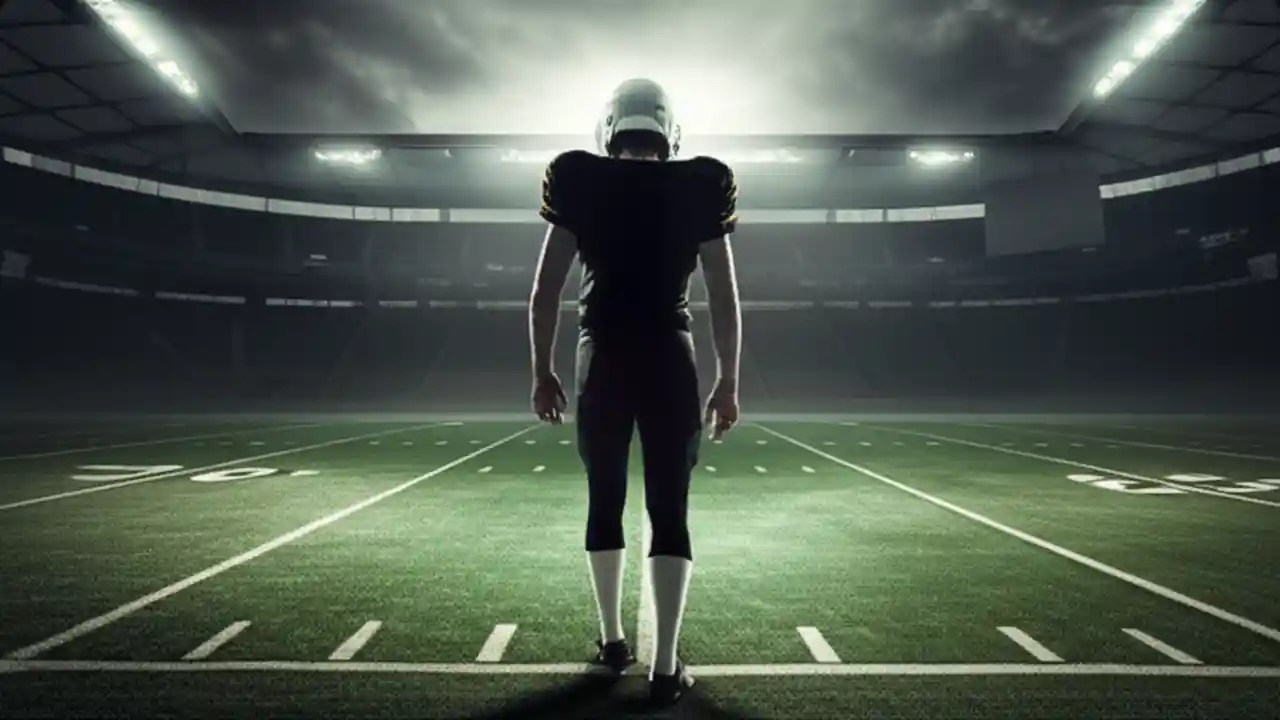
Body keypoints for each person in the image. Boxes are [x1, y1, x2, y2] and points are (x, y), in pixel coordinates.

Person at [527, 78, 742, 706]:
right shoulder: (700, 183)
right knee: (669, 508)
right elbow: (723, 296)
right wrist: (728, 380)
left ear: (611, 127)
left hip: (603, 352)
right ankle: (666, 667)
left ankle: (614, 641)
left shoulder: (580, 179)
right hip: (671, 354)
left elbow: (545, 291)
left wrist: (542, 371)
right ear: (667, 130)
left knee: (605, 498)